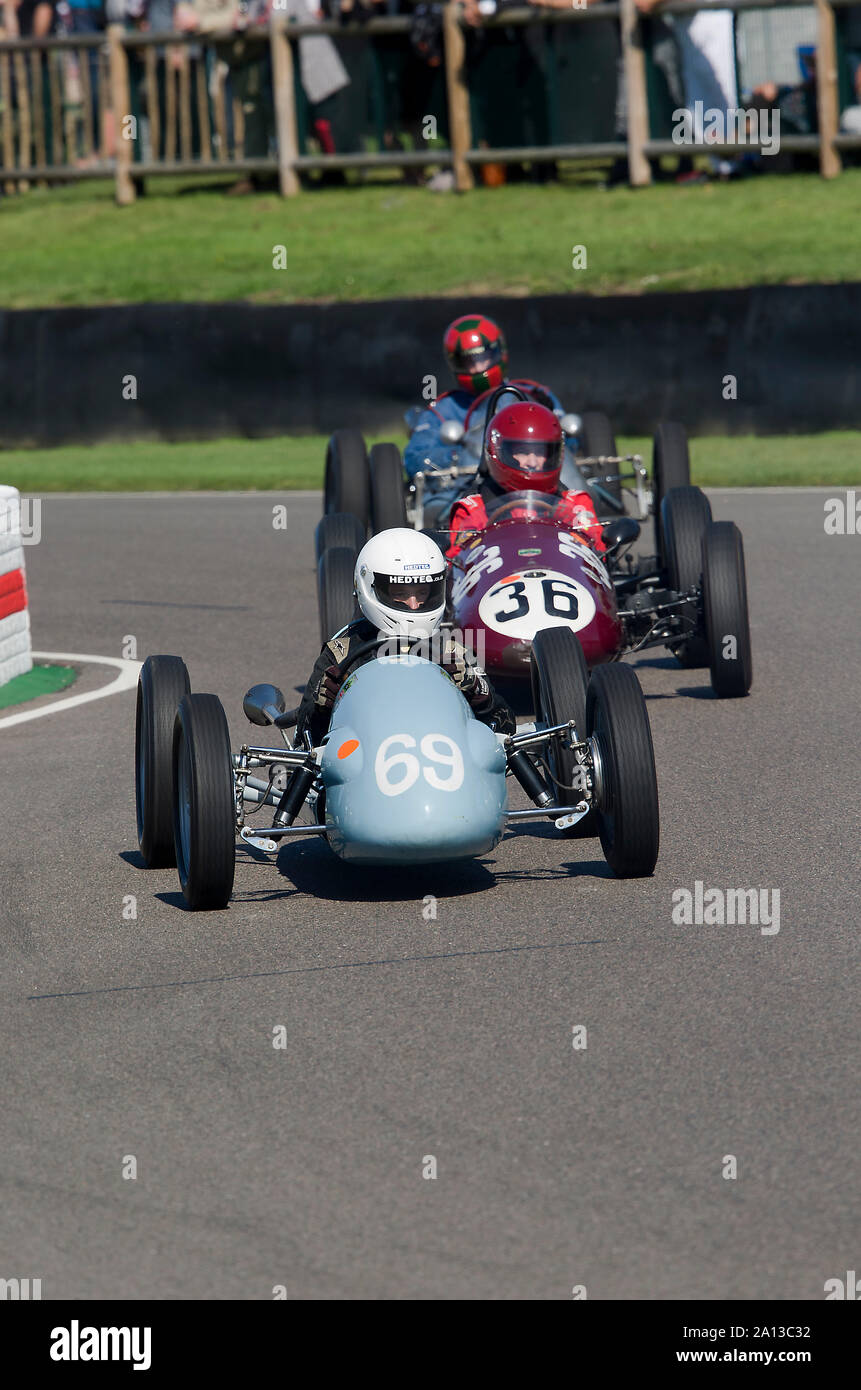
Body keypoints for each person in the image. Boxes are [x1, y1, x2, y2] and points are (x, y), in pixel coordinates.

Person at [298, 528, 516, 745]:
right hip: (364, 762)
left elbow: (505, 730)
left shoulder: (453, 652)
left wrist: (478, 692)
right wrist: (322, 709)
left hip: (444, 762)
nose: (413, 604)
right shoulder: (340, 655)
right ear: (370, 589)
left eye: (422, 593)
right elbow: (305, 742)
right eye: (400, 593)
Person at [403, 313, 564, 478]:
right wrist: (459, 454)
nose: (478, 368)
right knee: (439, 502)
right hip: (472, 487)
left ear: (499, 353)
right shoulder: (443, 410)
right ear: (455, 364)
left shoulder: (536, 395)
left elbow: (569, 442)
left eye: (483, 358)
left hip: (539, 481)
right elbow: (414, 459)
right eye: (469, 362)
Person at [447, 402, 605, 558]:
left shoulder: (576, 504)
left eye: (540, 452)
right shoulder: (472, 510)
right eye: (523, 452)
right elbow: (459, 566)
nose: (533, 462)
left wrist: (567, 523)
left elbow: (597, 557)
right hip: (501, 581)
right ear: (499, 452)